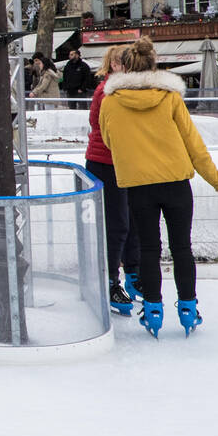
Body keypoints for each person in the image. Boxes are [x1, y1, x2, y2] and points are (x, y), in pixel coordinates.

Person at [98, 37, 218, 338]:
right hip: (175, 183)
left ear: (126, 68)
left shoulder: (111, 102)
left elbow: (107, 139)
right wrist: (215, 178)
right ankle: (188, 306)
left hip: (139, 186)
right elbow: (192, 142)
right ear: (154, 65)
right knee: (182, 247)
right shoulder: (170, 98)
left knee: (148, 248)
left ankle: (153, 307)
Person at [84, 45, 141, 316]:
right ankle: (110, 281)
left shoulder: (134, 90)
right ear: (111, 65)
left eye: (126, 62)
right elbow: (99, 124)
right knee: (116, 224)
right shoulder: (104, 91)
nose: (123, 66)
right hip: (106, 164)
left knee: (133, 221)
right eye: (118, 62)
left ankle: (133, 272)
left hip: (129, 164)